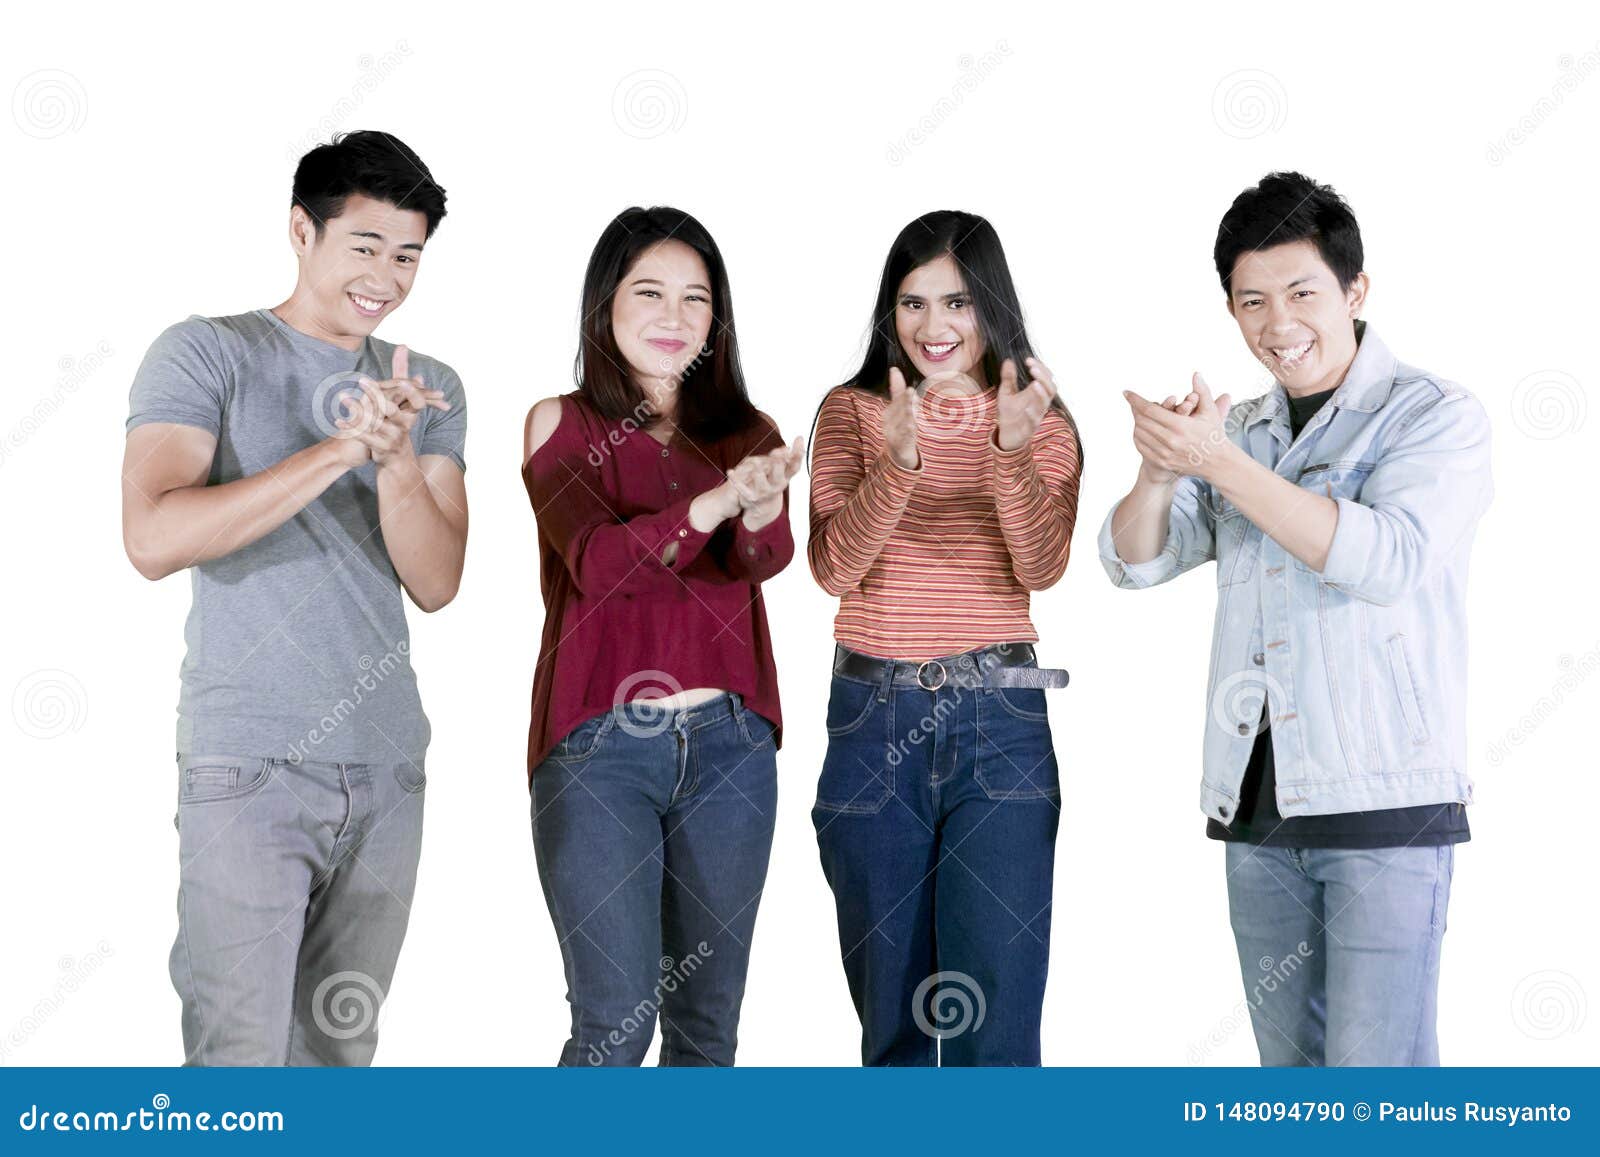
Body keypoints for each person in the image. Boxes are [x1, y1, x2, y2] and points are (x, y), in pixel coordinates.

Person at [1100, 171, 1492, 1066]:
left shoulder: (1433, 415)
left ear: (1356, 291)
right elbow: (1136, 561)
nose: (1278, 325)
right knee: (1292, 1088)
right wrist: (1164, 470)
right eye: (1251, 302)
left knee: (1378, 1089)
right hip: (1258, 813)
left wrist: (1218, 462)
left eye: (1303, 292)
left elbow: (1384, 559)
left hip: (1384, 807)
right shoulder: (1244, 428)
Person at [121, 131, 466, 1065]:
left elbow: (437, 583)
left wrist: (394, 459)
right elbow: (152, 538)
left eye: (409, 256)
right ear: (299, 232)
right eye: (365, 247)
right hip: (248, 763)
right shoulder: (207, 354)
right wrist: (338, 451)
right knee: (237, 1061)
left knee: (336, 1063)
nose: (387, 279)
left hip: (388, 768)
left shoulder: (426, 387)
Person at [521, 206, 800, 1066]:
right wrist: (714, 504)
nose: (674, 318)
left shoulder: (746, 433)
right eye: (649, 292)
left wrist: (757, 506)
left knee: (707, 1031)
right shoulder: (558, 426)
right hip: (601, 745)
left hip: (731, 745)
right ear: (605, 303)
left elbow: (764, 558)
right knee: (615, 1026)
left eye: (696, 298)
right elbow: (601, 563)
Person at [807, 210, 1083, 1065]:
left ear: (990, 306)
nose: (933, 327)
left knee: (993, 1021)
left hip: (999, 722)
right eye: (912, 302)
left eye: (957, 302)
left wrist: (1006, 446)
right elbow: (830, 566)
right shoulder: (854, 410)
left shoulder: (1038, 416)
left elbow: (1041, 563)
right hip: (872, 716)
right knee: (892, 1018)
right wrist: (900, 462)